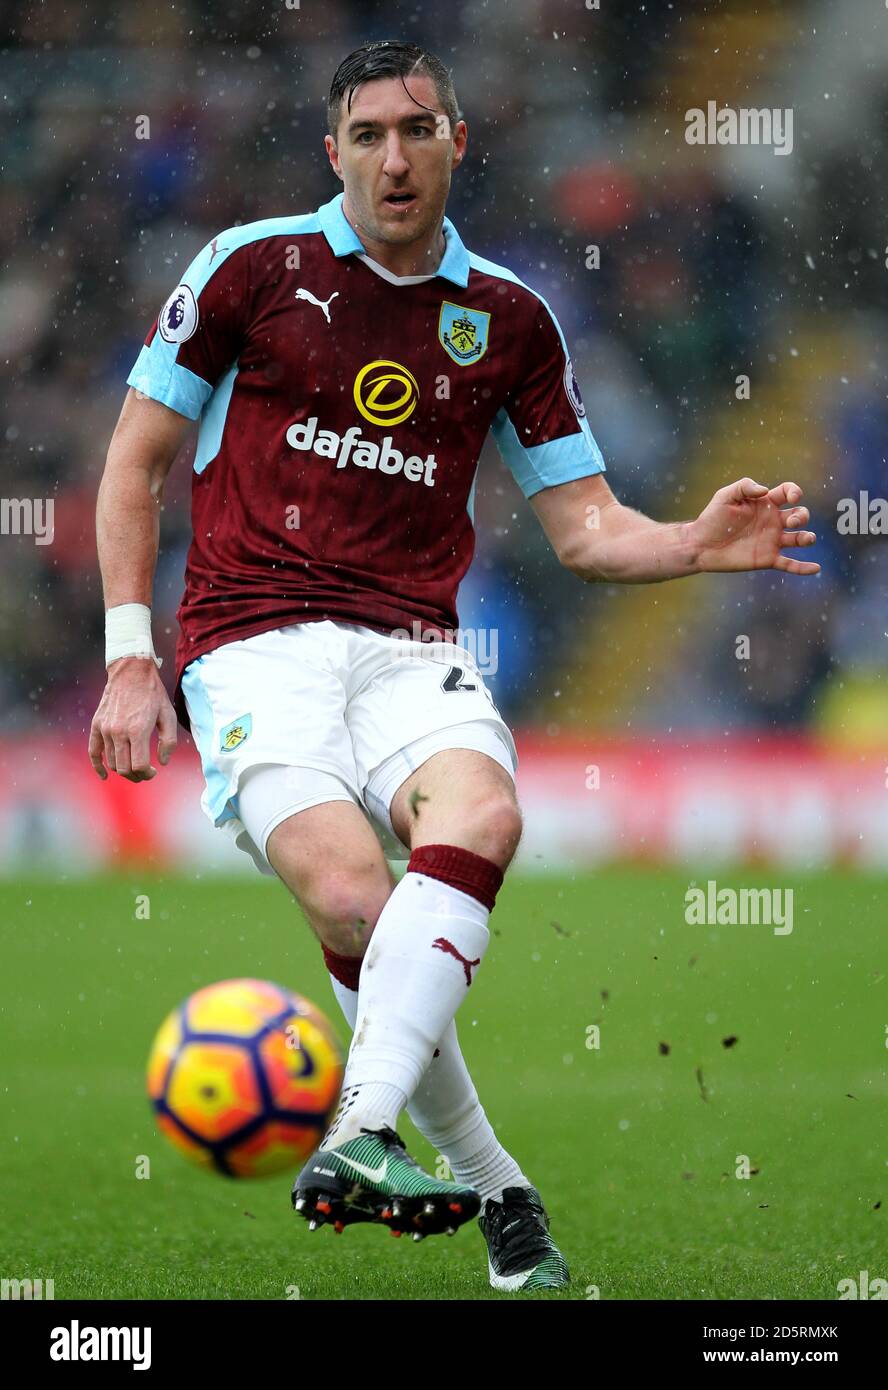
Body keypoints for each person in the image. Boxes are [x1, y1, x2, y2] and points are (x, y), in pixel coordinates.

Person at [89, 40, 819, 1293]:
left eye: (416, 130)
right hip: (252, 642)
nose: (392, 156)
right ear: (334, 154)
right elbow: (133, 464)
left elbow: (585, 526)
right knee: (356, 906)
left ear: (456, 143)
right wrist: (126, 657)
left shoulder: (513, 321)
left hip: (414, 649)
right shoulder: (250, 269)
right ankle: (498, 1187)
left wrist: (696, 543)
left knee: (484, 814)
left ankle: (357, 1133)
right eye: (367, 133)